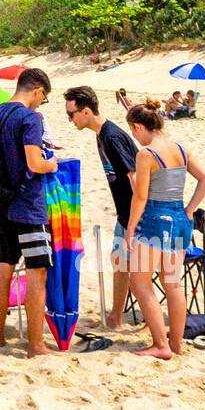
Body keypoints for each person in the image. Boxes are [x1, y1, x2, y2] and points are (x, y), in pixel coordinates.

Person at [124, 103, 205, 359]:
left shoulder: (147, 154)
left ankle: (160, 345)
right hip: (179, 220)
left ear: (139, 127)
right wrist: (189, 209)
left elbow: (140, 196)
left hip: (154, 219)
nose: (135, 138)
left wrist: (130, 229)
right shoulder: (181, 148)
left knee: (139, 282)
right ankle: (176, 344)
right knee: (173, 284)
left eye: (133, 132)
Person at [0, 67, 58, 357]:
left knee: (4, 266)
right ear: (37, 90)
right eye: (43, 98)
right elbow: (35, 163)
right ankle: (36, 346)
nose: (41, 103)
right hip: (28, 205)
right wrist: (52, 164)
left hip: (1, 203)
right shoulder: (30, 118)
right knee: (37, 271)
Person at [64, 84, 137, 330]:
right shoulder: (101, 134)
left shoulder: (112, 136)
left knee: (135, 270)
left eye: (71, 114)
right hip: (124, 213)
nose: (69, 120)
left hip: (135, 214)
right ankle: (115, 317)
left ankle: (138, 321)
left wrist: (136, 221)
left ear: (86, 112)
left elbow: (135, 177)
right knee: (119, 262)